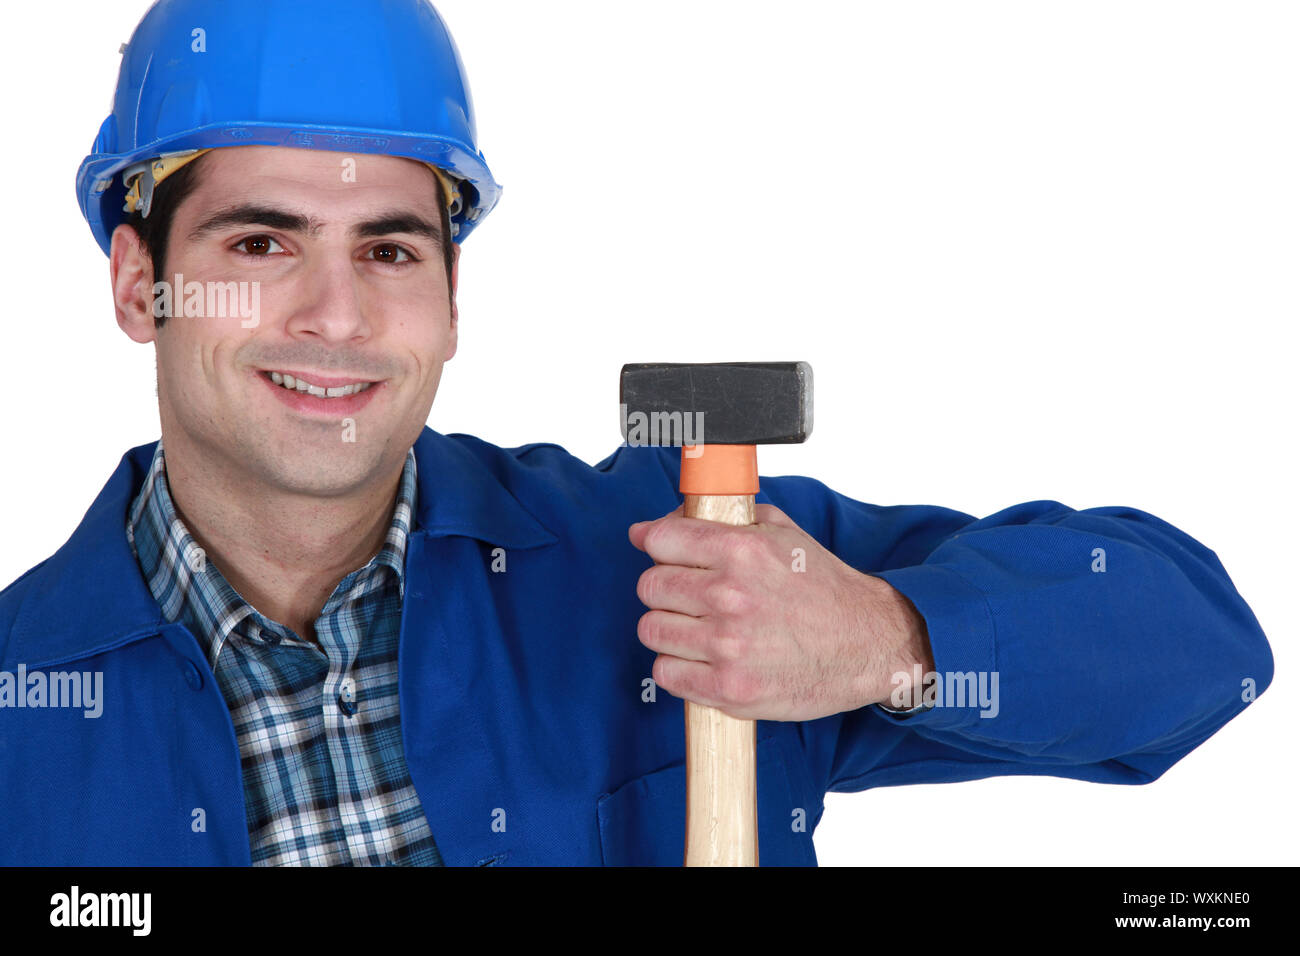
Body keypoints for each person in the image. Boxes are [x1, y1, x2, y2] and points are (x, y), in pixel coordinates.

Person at [0, 0, 1273, 866]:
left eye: (390, 248)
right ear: (138, 283)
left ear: (451, 305)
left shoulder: (673, 561)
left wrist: (890, 643)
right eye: (263, 241)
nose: (337, 316)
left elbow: (1196, 645)